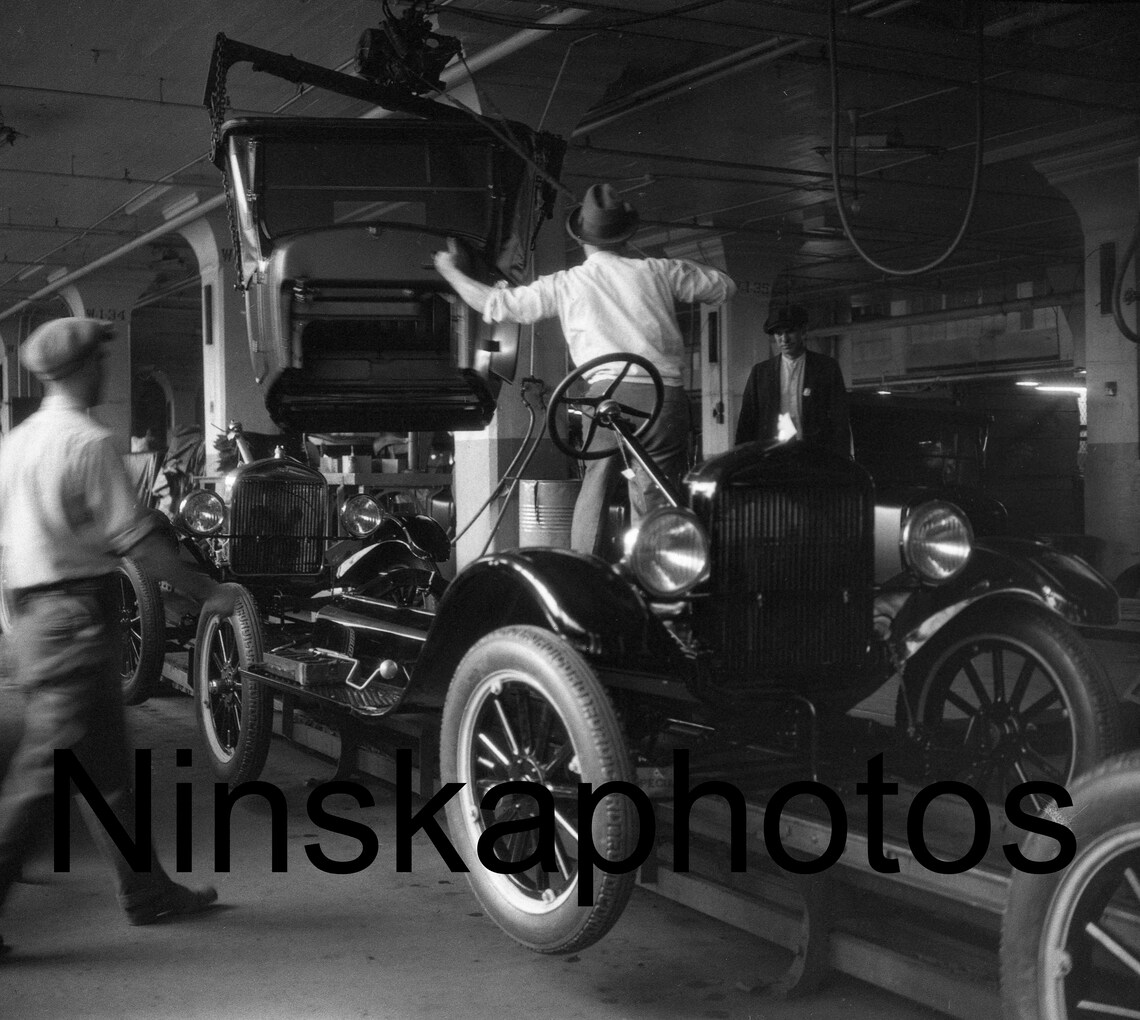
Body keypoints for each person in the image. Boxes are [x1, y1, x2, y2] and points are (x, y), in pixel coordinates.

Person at [0, 317, 239, 959]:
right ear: (82, 366)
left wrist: (17, 619)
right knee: (40, 775)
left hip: (36, 614)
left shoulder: (17, 441)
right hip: (75, 613)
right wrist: (207, 592)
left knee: (106, 773)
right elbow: (139, 545)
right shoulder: (86, 441)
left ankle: (147, 891)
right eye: (102, 357)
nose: (110, 366)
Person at [433, 182, 736, 555]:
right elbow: (724, 287)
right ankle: (655, 585)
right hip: (663, 399)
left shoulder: (567, 283)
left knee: (595, 484)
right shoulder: (659, 270)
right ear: (626, 235)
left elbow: (497, 305)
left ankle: (583, 571)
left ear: (583, 239)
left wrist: (451, 273)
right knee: (657, 495)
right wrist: (661, 271)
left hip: (606, 400)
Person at [735, 303, 851, 456]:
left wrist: (840, 459)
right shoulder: (760, 373)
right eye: (778, 333)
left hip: (814, 457)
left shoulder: (826, 368)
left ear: (803, 332)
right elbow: (747, 421)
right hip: (771, 458)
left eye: (790, 332)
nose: (784, 339)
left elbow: (839, 418)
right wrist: (742, 458)